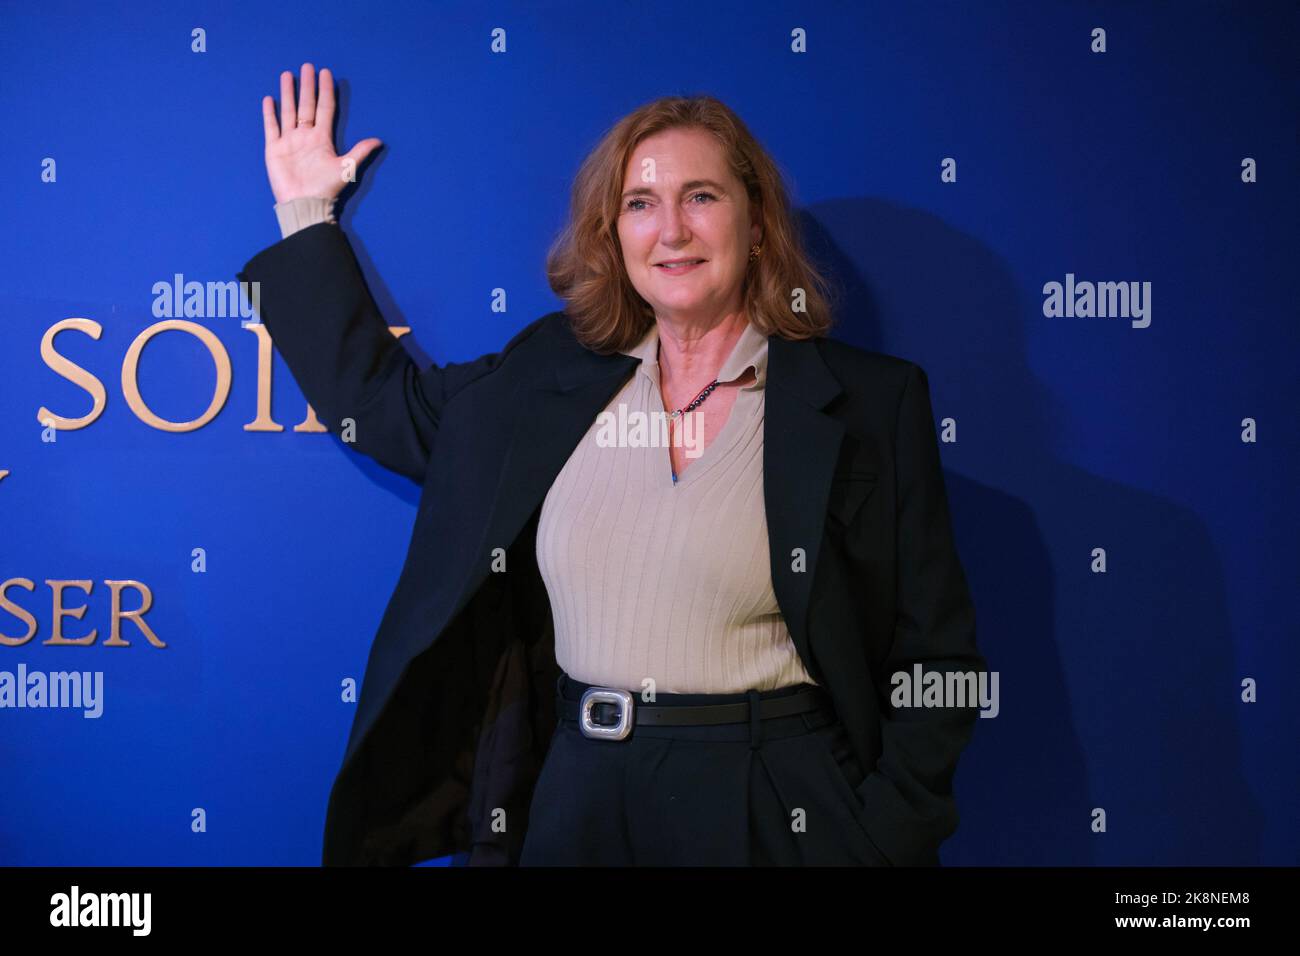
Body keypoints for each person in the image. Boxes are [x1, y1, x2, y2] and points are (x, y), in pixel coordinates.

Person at [241, 62, 986, 866]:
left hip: (774, 803)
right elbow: (387, 411)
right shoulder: (550, 374)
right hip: (574, 798)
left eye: (700, 197)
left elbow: (937, 659)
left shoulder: (872, 403)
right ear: (613, 232)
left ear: (758, 221)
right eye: (640, 203)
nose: (671, 230)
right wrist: (307, 214)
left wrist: (878, 838)